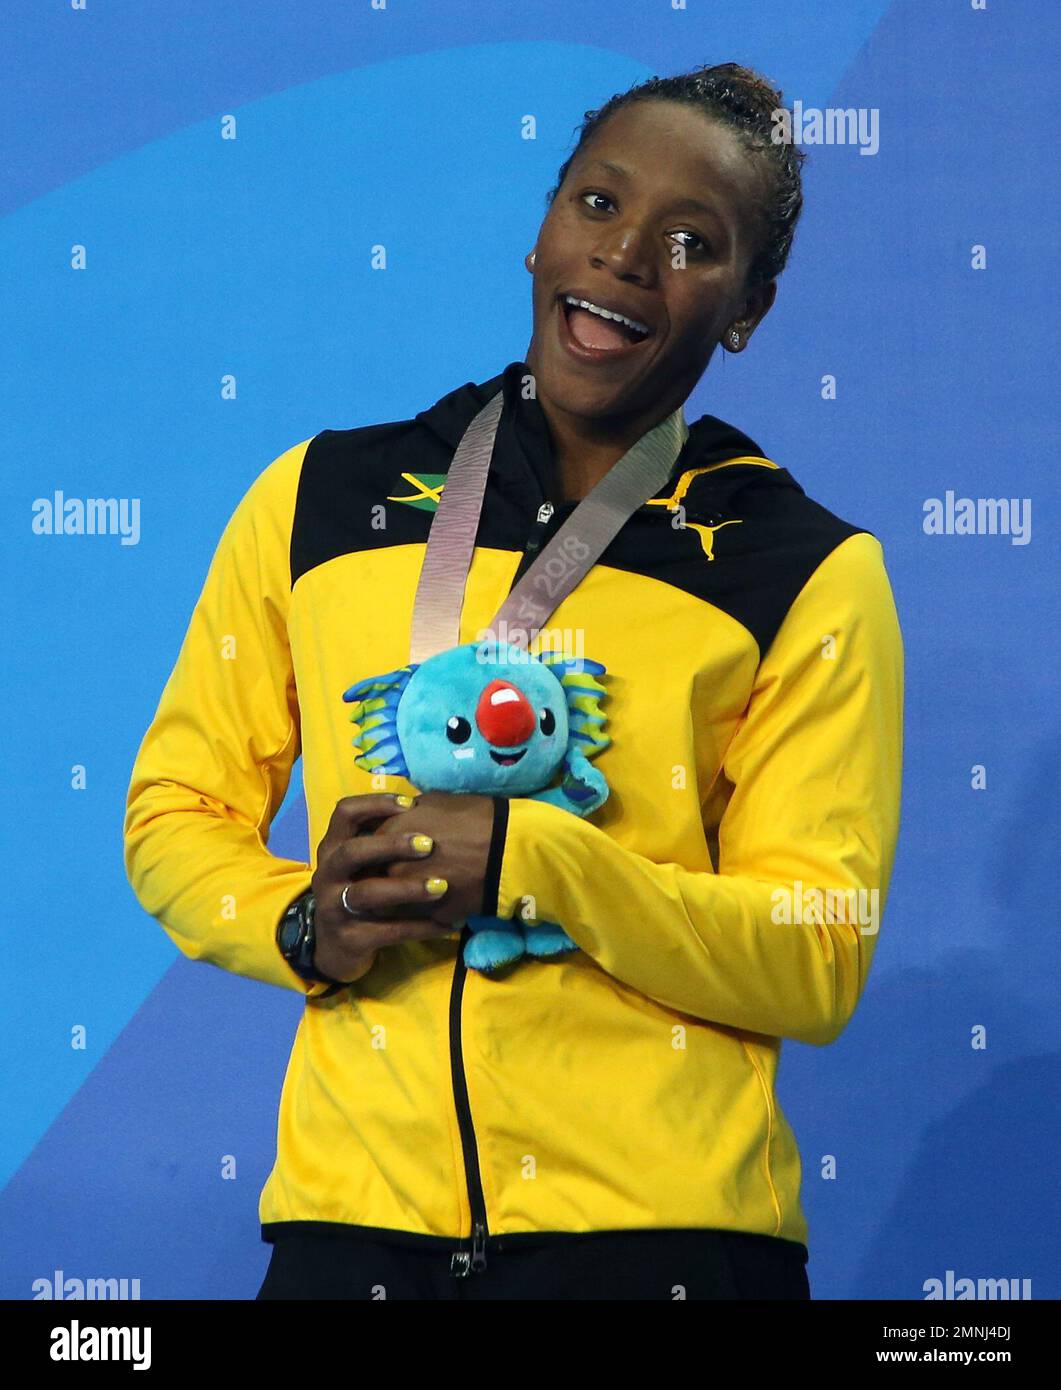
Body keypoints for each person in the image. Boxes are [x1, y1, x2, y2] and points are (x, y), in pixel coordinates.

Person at [123, 61, 903, 1301]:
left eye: (691, 241)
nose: (627, 258)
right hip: (351, 1238)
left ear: (747, 306)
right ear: (540, 232)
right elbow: (174, 815)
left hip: (663, 1255)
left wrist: (534, 862)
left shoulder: (799, 566)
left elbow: (814, 957)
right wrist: (302, 926)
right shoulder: (318, 500)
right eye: (598, 205)